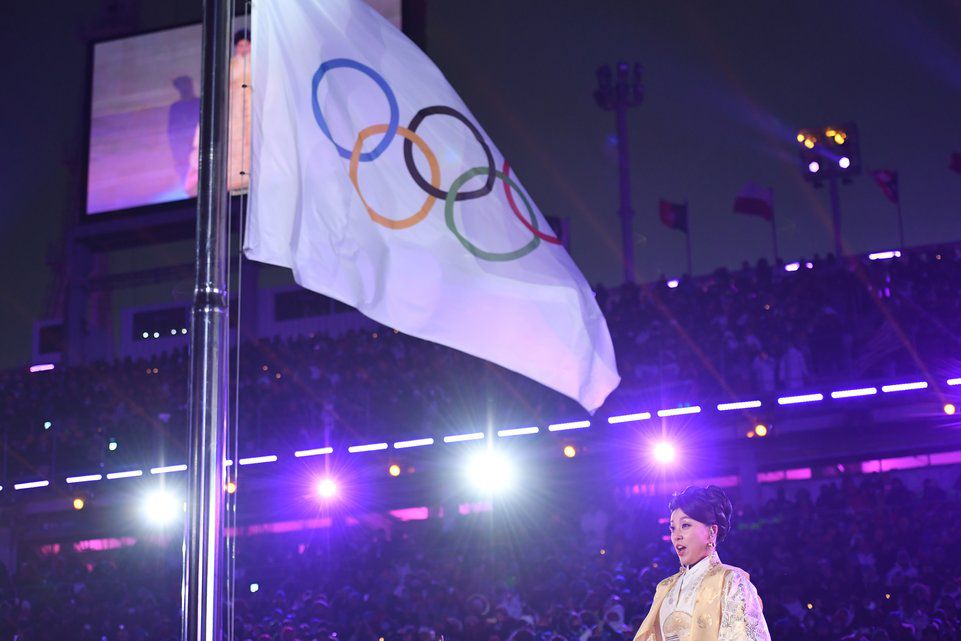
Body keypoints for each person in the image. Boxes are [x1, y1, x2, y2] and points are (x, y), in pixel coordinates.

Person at [633, 486, 771, 641]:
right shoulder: (665, 588)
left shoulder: (731, 582)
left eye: (685, 525)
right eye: (672, 528)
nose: (676, 536)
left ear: (712, 532)